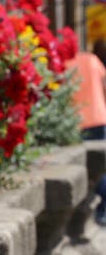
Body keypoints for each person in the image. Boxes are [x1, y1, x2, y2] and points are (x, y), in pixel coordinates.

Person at [69, 39, 106, 225]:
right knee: (101, 165)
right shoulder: (92, 60)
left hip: (76, 121)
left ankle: (103, 206)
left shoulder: (65, 64)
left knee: (90, 166)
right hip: (99, 116)